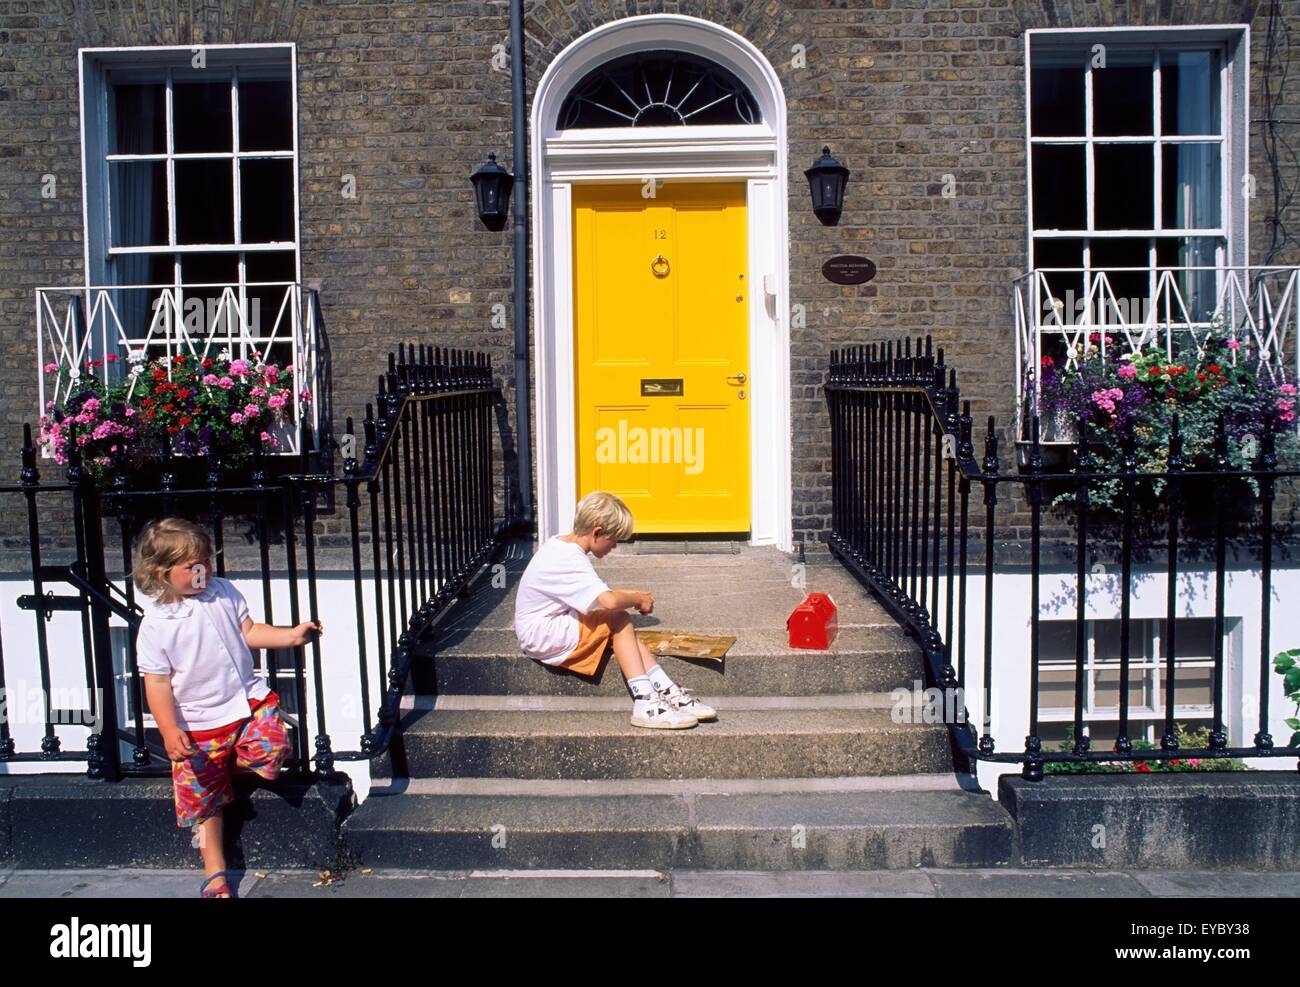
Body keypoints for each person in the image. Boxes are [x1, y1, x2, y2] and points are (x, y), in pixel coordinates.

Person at [132, 517, 323, 898]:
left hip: (246, 702)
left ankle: (222, 771)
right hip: (199, 721)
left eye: (206, 561)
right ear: (160, 572)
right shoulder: (156, 623)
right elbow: (156, 682)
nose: (204, 570)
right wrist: (169, 730)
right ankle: (215, 870)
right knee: (202, 803)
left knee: (274, 749)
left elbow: (249, 631)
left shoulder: (223, 592)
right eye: (192, 566)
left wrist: (290, 635)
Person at [513, 491, 717, 729]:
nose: (615, 546)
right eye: (614, 539)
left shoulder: (560, 543)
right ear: (597, 532)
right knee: (618, 618)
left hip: (547, 625)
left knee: (621, 628)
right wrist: (636, 598)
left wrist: (630, 597)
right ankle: (646, 702)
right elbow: (609, 601)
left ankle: (667, 690)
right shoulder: (569, 558)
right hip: (543, 635)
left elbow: (600, 598)